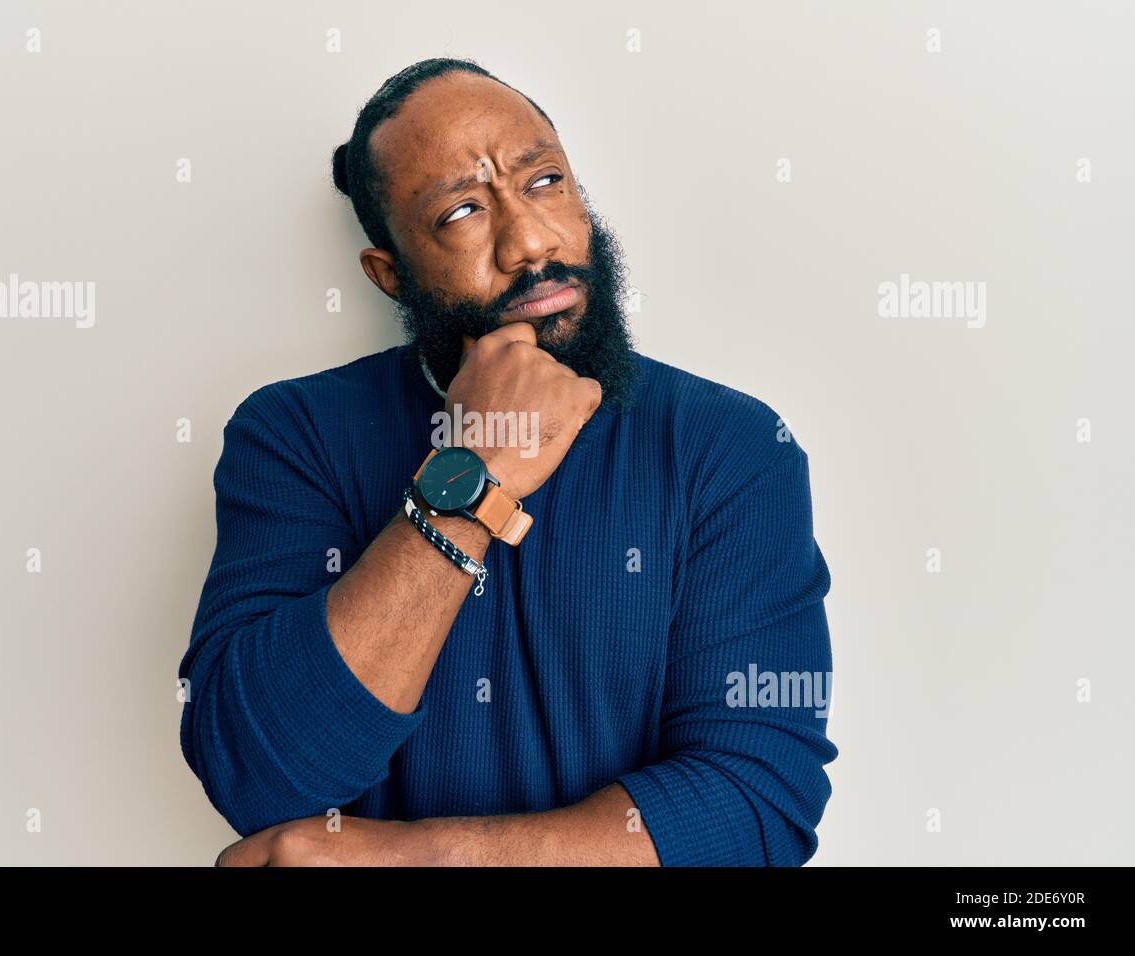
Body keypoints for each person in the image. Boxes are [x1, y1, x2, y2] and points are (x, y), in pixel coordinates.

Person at [179, 57, 837, 866]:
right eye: (460, 211)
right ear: (391, 275)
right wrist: (471, 469)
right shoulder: (295, 434)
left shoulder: (729, 446)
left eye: (545, 182)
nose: (530, 241)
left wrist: (412, 859)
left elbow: (756, 807)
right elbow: (258, 776)